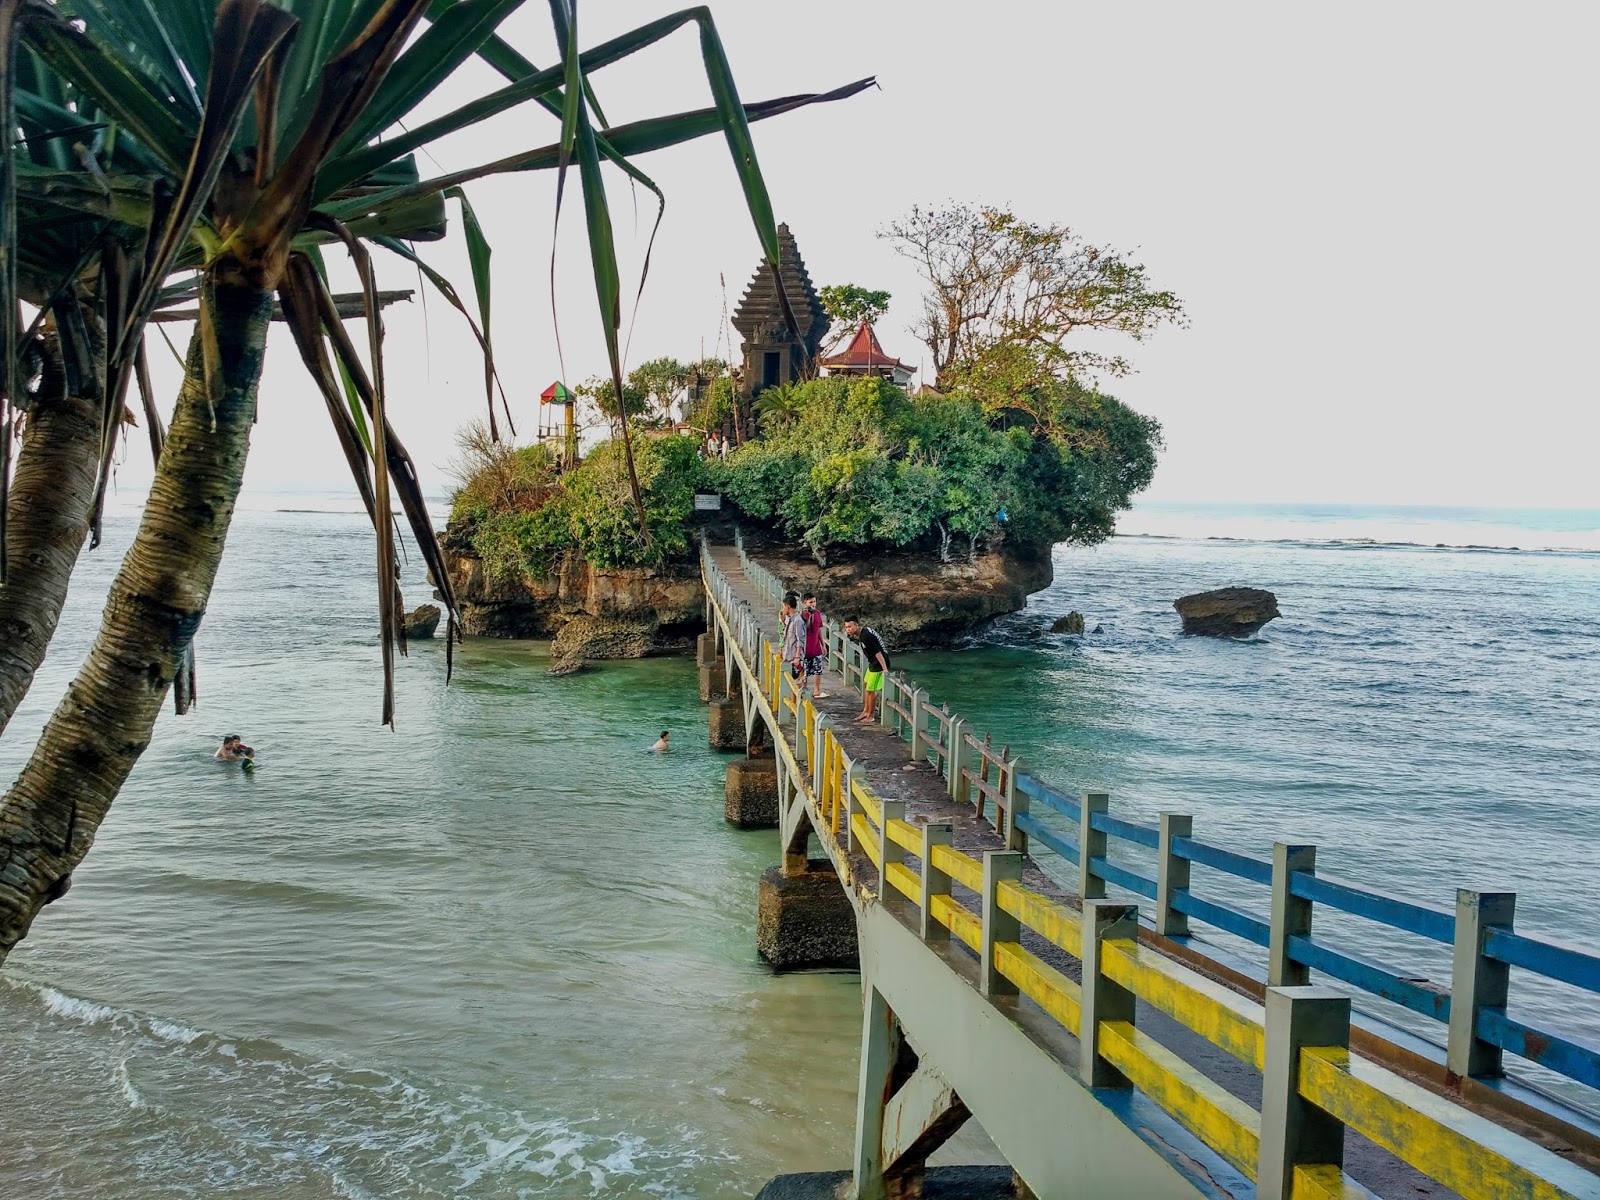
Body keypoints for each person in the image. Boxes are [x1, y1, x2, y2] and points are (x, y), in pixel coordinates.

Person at [843, 619, 890, 724]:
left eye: (850, 627)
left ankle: (870, 715)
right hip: (872, 662)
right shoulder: (862, 633)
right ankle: (865, 711)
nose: (848, 630)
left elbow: (878, 653)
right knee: (865, 685)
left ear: (856, 625)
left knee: (870, 690)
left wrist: (885, 669)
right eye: (846, 627)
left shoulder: (866, 636)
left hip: (878, 664)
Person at [800, 592, 828, 700]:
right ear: (804, 603)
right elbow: (807, 627)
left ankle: (817, 690)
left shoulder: (817, 613)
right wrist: (809, 615)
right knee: (805, 671)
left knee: (818, 669)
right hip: (806, 648)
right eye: (810, 602)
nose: (813, 604)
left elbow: (818, 630)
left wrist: (823, 645)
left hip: (816, 647)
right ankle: (804, 690)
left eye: (814, 602)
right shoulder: (802, 615)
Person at [780, 592, 805, 683]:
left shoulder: (798, 621)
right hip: (788, 657)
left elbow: (800, 640)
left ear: (787, 606)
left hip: (794, 658)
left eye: (783, 606)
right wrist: (783, 622)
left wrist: (797, 657)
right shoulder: (789, 619)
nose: (783, 609)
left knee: (796, 684)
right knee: (789, 684)